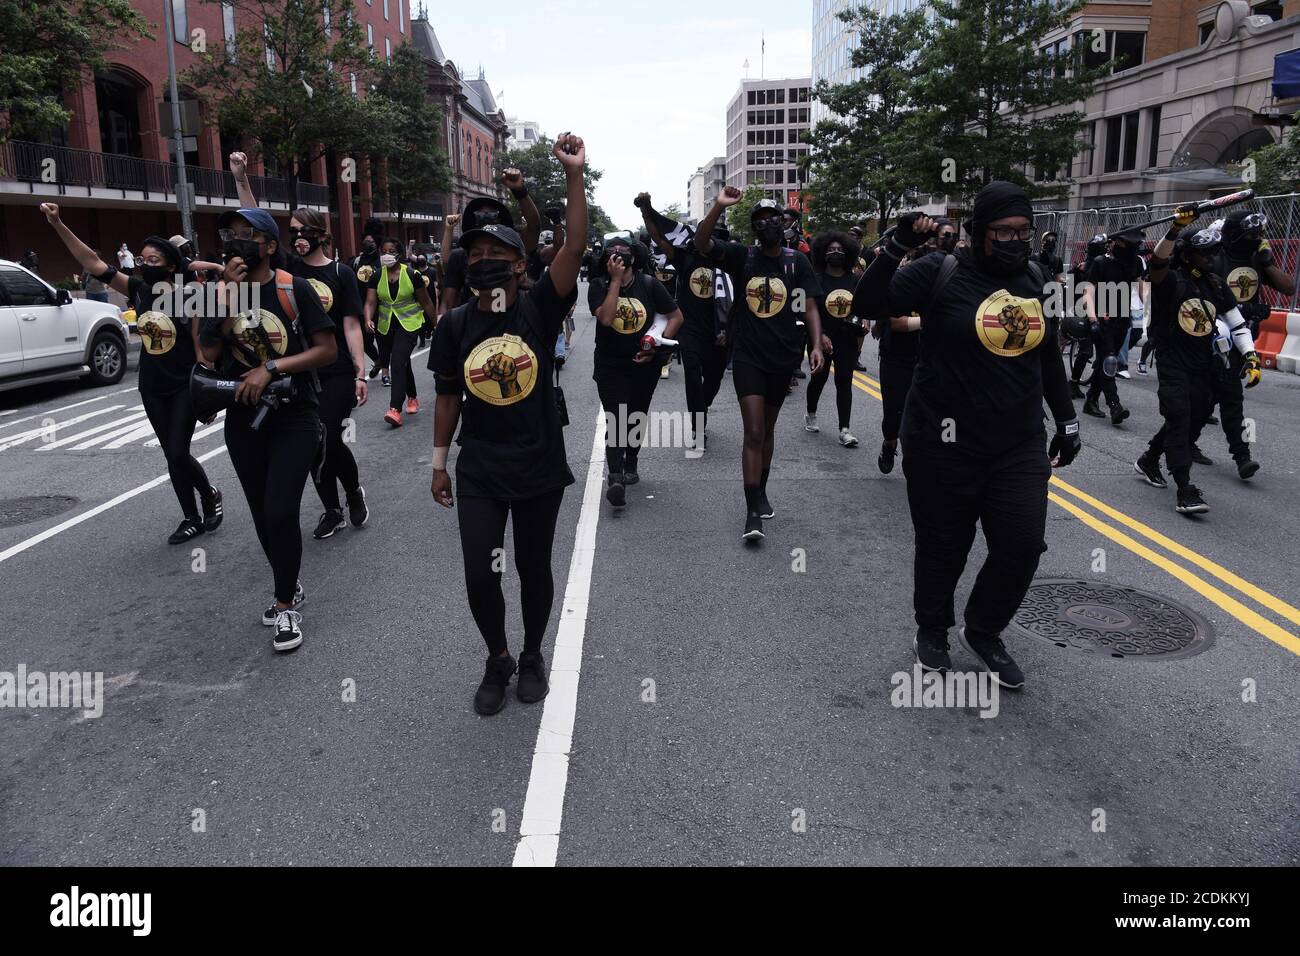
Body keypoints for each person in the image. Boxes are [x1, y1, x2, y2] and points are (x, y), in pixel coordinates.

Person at [856, 183, 1081, 690]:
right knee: (944, 545)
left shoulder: (1036, 278)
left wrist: (1066, 419)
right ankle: (933, 628)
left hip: (1017, 442)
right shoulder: (940, 271)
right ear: (980, 233)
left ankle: (985, 630)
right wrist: (894, 246)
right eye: (1003, 231)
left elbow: (1046, 354)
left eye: (1022, 232)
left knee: (1022, 544)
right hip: (941, 440)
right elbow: (867, 304)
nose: (1014, 241)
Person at [429, 133, 588, 716]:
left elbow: (574, 243)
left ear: (521, 265)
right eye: (472, 257)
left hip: (539, 464)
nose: (482, 262)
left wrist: (574, 173)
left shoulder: (540, 308)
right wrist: (440, 463)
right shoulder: (452, 327)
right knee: (480, 571)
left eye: (494, 254)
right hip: (480, 469)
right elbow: (448, 398)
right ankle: (497, 657)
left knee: (532, 567)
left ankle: (532, 653)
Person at [42, 203, 225, 544]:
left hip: (184, 383)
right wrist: (58, 224)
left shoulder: (192, 294)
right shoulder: (139, 289)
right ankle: (195, 512)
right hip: (152, 385)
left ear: (171, 264)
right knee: (173, 452)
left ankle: (205, 501)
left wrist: (208, 390)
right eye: (141, 260)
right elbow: (92, 264)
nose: (144, 265)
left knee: (176, 451)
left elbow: (202, 347)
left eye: (152, 260)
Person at [198, 207, 337, 652]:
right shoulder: (220, 292)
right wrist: (226, 299)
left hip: (295, 413)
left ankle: (284, 606)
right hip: (244, 418)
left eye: (247, 234)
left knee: (280, 510)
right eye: (230, 233)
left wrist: (271, 367)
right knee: (261, 514)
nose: (235, 240)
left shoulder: (293, 288)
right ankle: (289, 583)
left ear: (270, 245)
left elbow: (326, 350)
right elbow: (206, 353)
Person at [695, 189, 824, 541]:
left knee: (767, 429)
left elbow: (811, 305)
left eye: (774, 218)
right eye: (760, 220)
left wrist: (816, 344)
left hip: (783, 356)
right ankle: (752, 511)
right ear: (753, 227)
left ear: (783, 223)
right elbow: (702, 242)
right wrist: (719, 206)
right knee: (752, 431)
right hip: (749, 355)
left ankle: (761, 489)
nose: (768, 224)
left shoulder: (796, 262)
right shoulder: (742, 257)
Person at [1134, 218, 1262, 511]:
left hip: (1204, 364)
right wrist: (1175, 230)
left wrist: (1251, 356)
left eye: (1214, 252)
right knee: (1179, 416)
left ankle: (1150, 458)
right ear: (1186, 254)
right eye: (1204, 253)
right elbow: (1157, 261)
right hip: (1172, 362)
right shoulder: (1169, 281)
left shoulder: (1216, 284)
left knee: (1193, 417)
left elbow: (1238, 324)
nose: (1211, 257)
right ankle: (1185, 488)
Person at [284, 208, 371, 537]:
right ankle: (332, 510)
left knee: (328, 438)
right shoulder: (287, 271)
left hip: (336, 372)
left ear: (321, 233)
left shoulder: (341, 273)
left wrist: (360, 373)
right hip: (297, 372)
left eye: (304, 229)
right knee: (310, 443)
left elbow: (351, 325)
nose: (297, 236)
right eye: (291, 230)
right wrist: (241, 179)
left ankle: (352, 491)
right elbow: (257, 223)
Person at [589, 236, 683, 505]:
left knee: (636, 415)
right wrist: (615, 282)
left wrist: (655, 347)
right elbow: (607, 319)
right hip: (610, 364)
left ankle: (631, 460)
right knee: (616, 417)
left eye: (624, 251)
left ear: (634, 256)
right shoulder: (598, 285)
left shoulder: (650, 285)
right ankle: (616, 475)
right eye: (612, 251)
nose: (618, 254)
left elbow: (676, 317)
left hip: (645, 364)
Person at [637, 193, 731, 452]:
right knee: (692, 374)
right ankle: (697, 427)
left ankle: (703, 405)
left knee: (712, 381)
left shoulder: (729, 259)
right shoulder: (685, 257)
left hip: (722, 330)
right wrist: (647, 210)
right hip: (690, 328)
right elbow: (658, 238)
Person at [438, 169, 543, 314]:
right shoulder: (459, 256)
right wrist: (443, 327)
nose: (485, 257)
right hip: (474, 327)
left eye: (496, 252)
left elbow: (534, 226)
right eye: (477, 253)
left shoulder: (512, 249)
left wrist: (519, 191)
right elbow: (448, 299)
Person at [364, 237, 436, 427]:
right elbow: (370, 301)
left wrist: (437, 326)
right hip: (386, 326)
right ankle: (412, 397)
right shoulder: (376, 275)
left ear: (400, 255)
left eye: (391, 252)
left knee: (396, 361)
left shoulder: (413, 275)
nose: (387, 255)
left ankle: (395, 409)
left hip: (410, 324)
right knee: (403, 362)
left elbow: (426, 302)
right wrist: (367, 318)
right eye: (384, 252)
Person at [805, 230, 862, 447]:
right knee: (818, 379)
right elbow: (809, 311)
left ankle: (844, 430)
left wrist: (861, 323)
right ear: (822, 253)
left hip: (846, 339)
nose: (835, 253)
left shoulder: (854, 280)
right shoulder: (816, 280)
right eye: (831, 250)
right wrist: (820, 336)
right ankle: (811, 413)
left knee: (844, 382)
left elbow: (859, 307)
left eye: (839, 250)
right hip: (821, 339)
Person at [1079, 230, 1140, 425]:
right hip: (1102, 320)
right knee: (1110, 361)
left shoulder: (1134, 263)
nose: (1130, 248)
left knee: (1105, 361)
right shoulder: (1100, 262)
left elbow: (1142, 287)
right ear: (1114, 243)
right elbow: (1088, 292)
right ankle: (1115, 405)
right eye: (1126, 244)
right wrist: (1093, 320)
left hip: (1122, 320)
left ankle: (1091, 400)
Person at [1068, 233, 1109, 397]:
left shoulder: (1103, 265)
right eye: (1105, 247)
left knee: (1104, 350)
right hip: (1082, 312)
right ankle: (1073, 383)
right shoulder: (1085, 268)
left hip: (1100, 311)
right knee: (1086, 351)